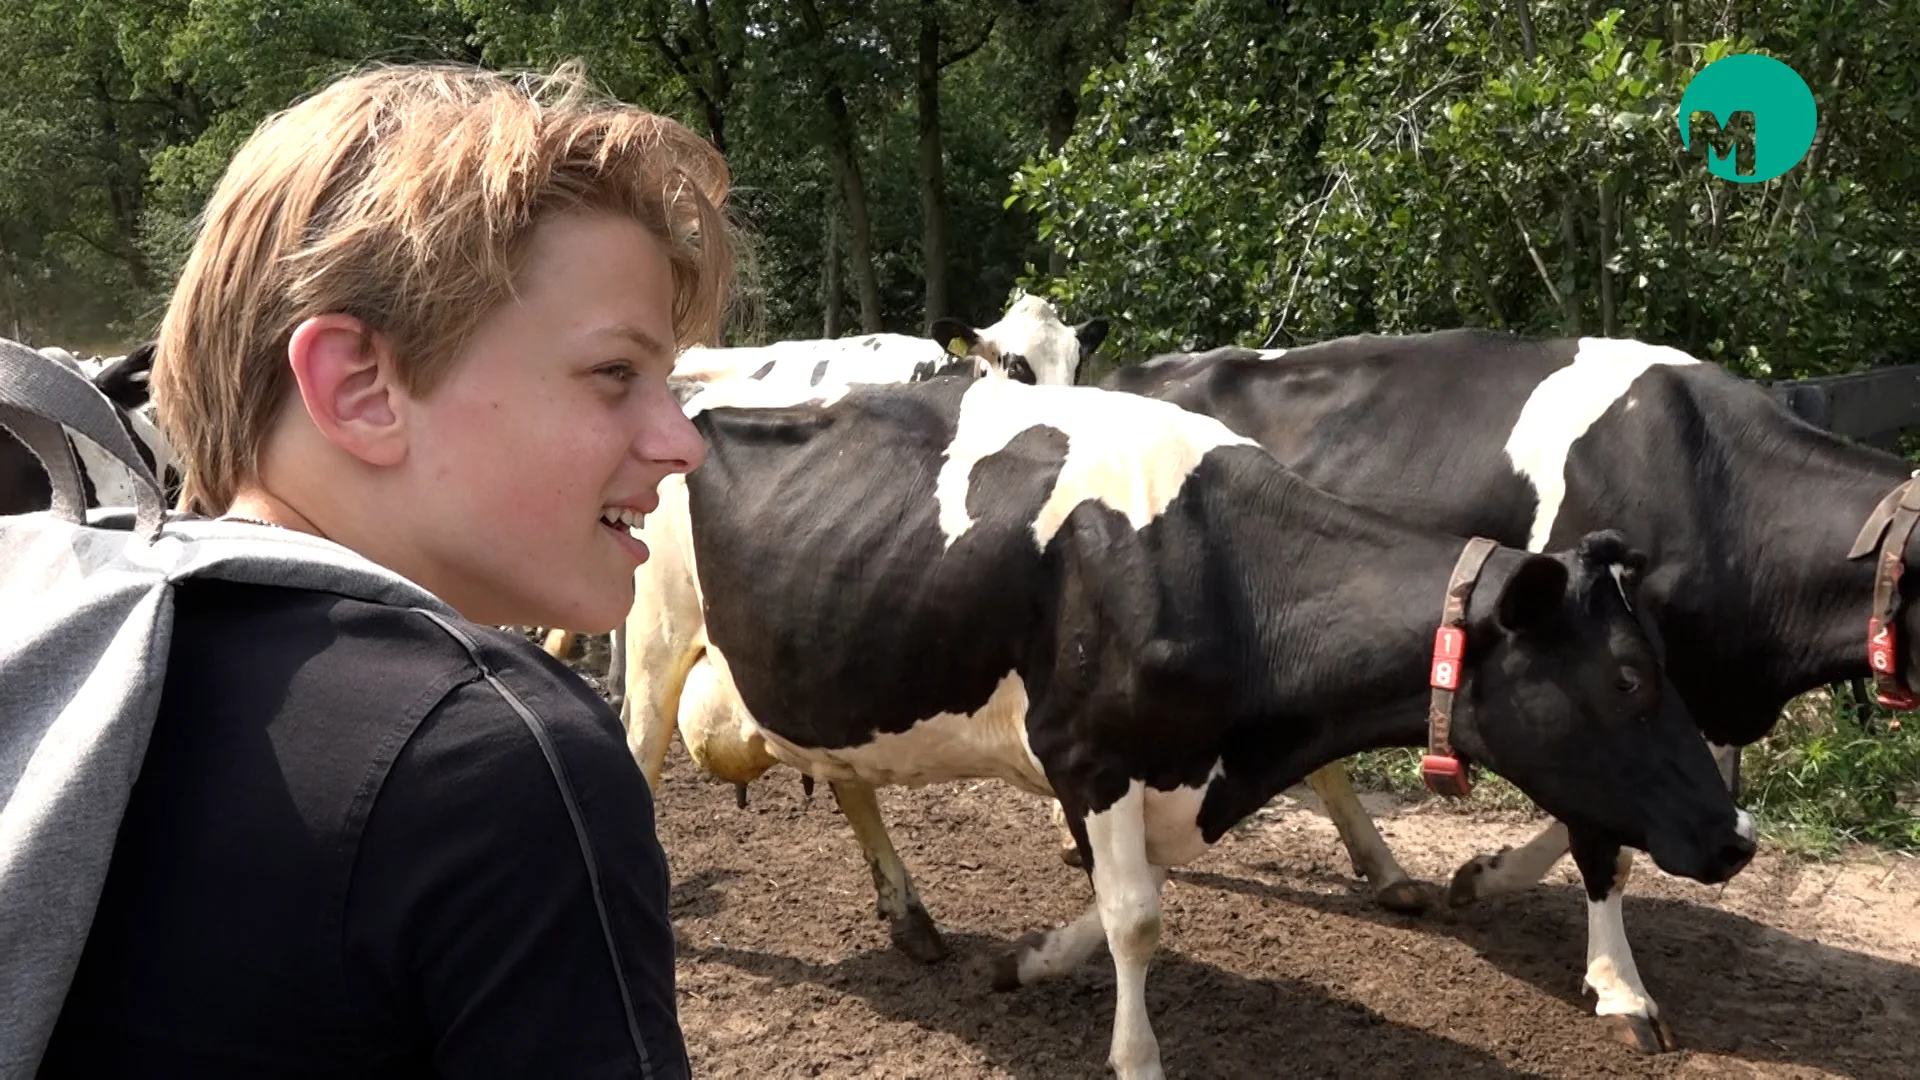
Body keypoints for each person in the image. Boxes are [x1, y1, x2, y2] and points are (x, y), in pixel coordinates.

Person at [36, 60, 730, 1078]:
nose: (683, 442)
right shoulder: (489, 758)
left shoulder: (68, 644)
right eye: (615, 373)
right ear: (360, 387)